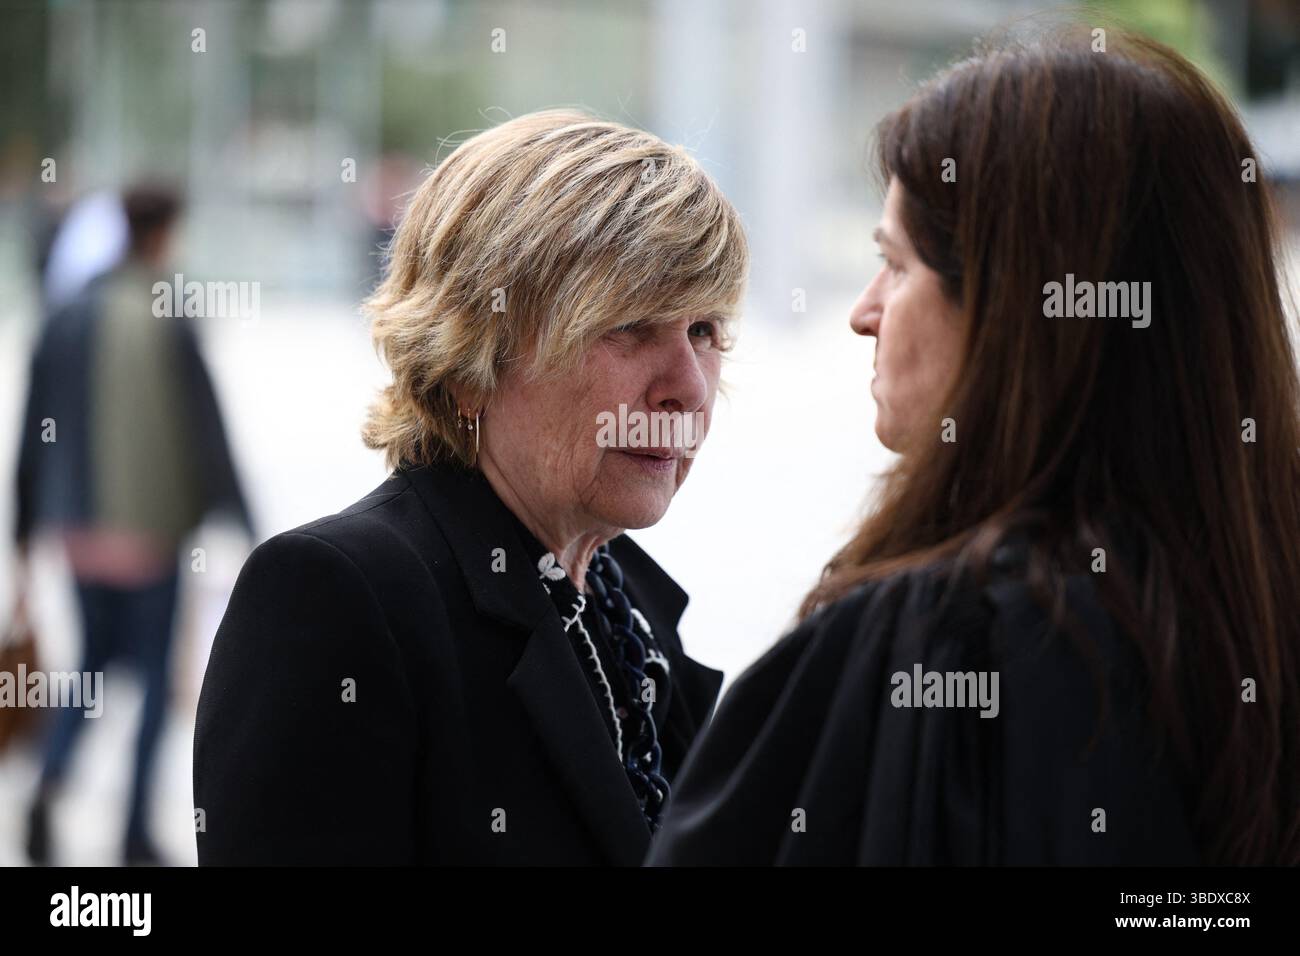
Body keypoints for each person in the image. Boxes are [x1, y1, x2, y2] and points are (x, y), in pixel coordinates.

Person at [647, 28, 1300, 866]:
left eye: (897, 263)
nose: (864, 310)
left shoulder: (938, 652)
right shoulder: (1248, 624)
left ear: (1013, 317)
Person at [193, 110, 749, 865]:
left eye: (705, 331)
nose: (687, 386)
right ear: (468, 362)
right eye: (629, 326)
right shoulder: (337, 598)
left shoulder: (630, 605)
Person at [15, 185, 252, 865]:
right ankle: (135, 831)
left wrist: (24, 537)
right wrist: (246, 524)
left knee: (89, 667)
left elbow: (33, 435)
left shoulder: (66, 314)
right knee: (152, 680)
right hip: (152, 536)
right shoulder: (170, 312)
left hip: (80, 536)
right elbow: (208, 431)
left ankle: (49, 783)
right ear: (165, 232)